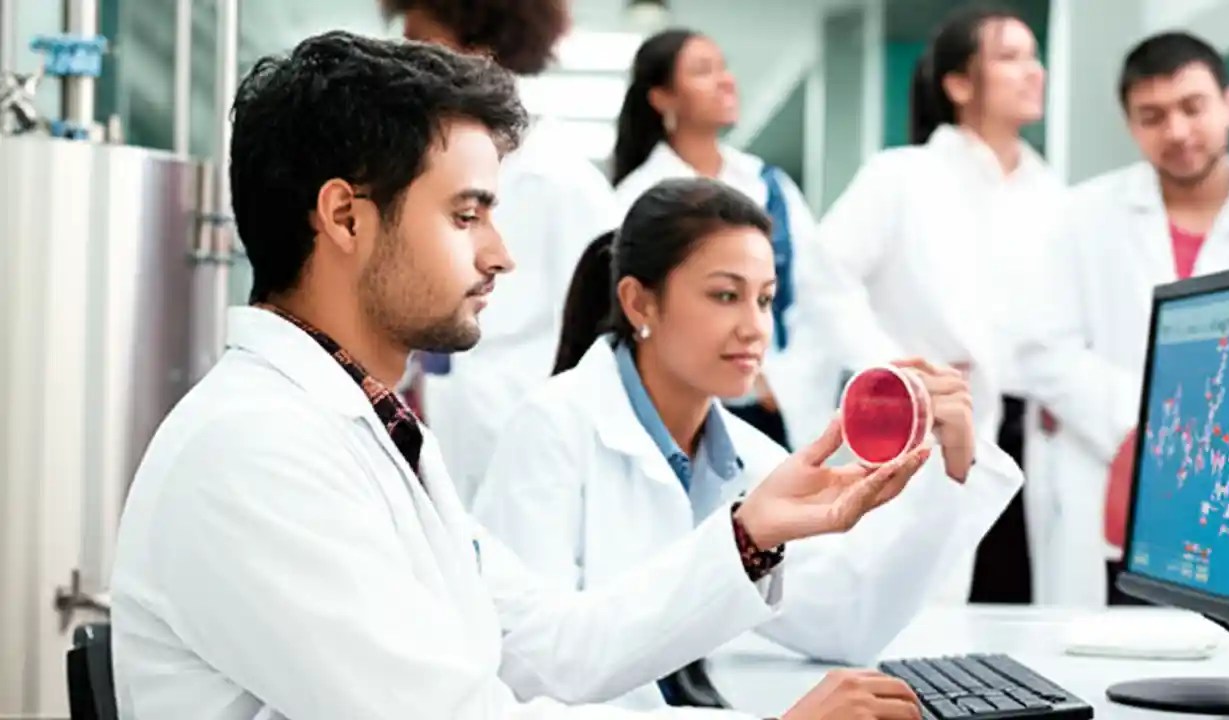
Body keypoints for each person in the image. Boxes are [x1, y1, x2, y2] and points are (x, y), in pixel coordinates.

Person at [109, 31, 937, 720]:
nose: (501, 253)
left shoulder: (367, 432)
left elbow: (557, 645)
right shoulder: (254, 455)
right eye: (466, 214)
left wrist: (752, 534)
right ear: (345, 217)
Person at [471, 176, 1024, 711]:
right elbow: (536, 669)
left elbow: (842, 620)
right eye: (725, 295)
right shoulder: (552, 428)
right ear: (640, 304)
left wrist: (952, 467)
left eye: (765, 300)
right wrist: (743, 540)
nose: (755, 327)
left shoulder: (740, 454)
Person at [788, 4, 1064, 603]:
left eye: (1033, 56)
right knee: (927, 613)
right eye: (1010, 57)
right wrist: (898, 377)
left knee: (1020, 617)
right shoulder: (902, 176)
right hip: (930, 431)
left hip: (1032, 441)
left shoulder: (1051, 195)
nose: (1033, 71)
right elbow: (822, 275)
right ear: (960, 83)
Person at [1018, 31, 1229, 608]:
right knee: (1093, 655)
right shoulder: (1080, 216)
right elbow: (1041, 349)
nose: (1179, 132)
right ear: (1131, 125)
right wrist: (1152, 421)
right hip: (1104, 472)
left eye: (1193, 107)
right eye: (1153, 116)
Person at [382, 0, 619, 507]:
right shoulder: (420, 165)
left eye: (422, 45)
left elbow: (597, 342)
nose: (405, 62)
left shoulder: (565, 183)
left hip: (518, 444)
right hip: (433, 427)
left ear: (481, 48)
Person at [609, 28, 829, 451]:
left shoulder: (769, 186)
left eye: (724, 67)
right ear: (662, 98)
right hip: (671, 409)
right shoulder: (634, 199)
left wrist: (782, 380)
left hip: (770, 407)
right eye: (703, 71)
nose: (726, 80)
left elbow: (818, 294)